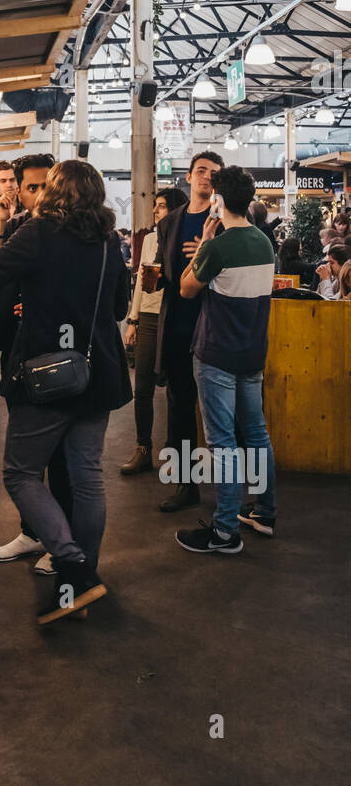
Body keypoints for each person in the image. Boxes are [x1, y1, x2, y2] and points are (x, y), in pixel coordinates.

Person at [0, 160, 132, 624]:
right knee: (87, 476)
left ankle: (72, 564)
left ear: (54, 192)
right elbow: (118, 307)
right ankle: (80, 581)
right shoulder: (111, 243)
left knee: (20, 474)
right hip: (99, 374)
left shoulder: (38, 234)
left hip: (48, 375)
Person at [175, 166, 277, 554]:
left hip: (217, 353)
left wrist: (203, 242)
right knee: (256, 433)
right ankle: (265, 513)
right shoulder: (263, 242)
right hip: (252, 353)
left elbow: (186, 289)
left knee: (223, 443)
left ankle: (224, 531)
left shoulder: (218, 246)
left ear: (217, 199)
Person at [153, 150, 225, 513]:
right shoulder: (170, 223)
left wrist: (208, 255)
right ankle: (186, 485)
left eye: (213, 173)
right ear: (189, 176)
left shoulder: (227, 223)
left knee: (222, 412)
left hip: (214, 327)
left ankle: (237, 493)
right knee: (180, 407)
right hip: (178, 325)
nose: (206, 177)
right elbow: (166, 272)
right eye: (201, 170)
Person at [0, 155, 53, 434]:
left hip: (25, 301)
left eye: (12, 180)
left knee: (17, 361)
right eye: (2, 180)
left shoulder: (41, 221)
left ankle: (20, 412)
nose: (8, 185)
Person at [120, 186, 188, 476]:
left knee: (177, 389)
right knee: (143, 385)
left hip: (175, 314)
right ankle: (143, 448)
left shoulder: (185, 237)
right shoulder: (149, 239)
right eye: (155, 206)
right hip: (148, 315)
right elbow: (140, 283)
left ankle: (175, 453)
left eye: (161, 206)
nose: (156, 211)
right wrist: (132, 320)